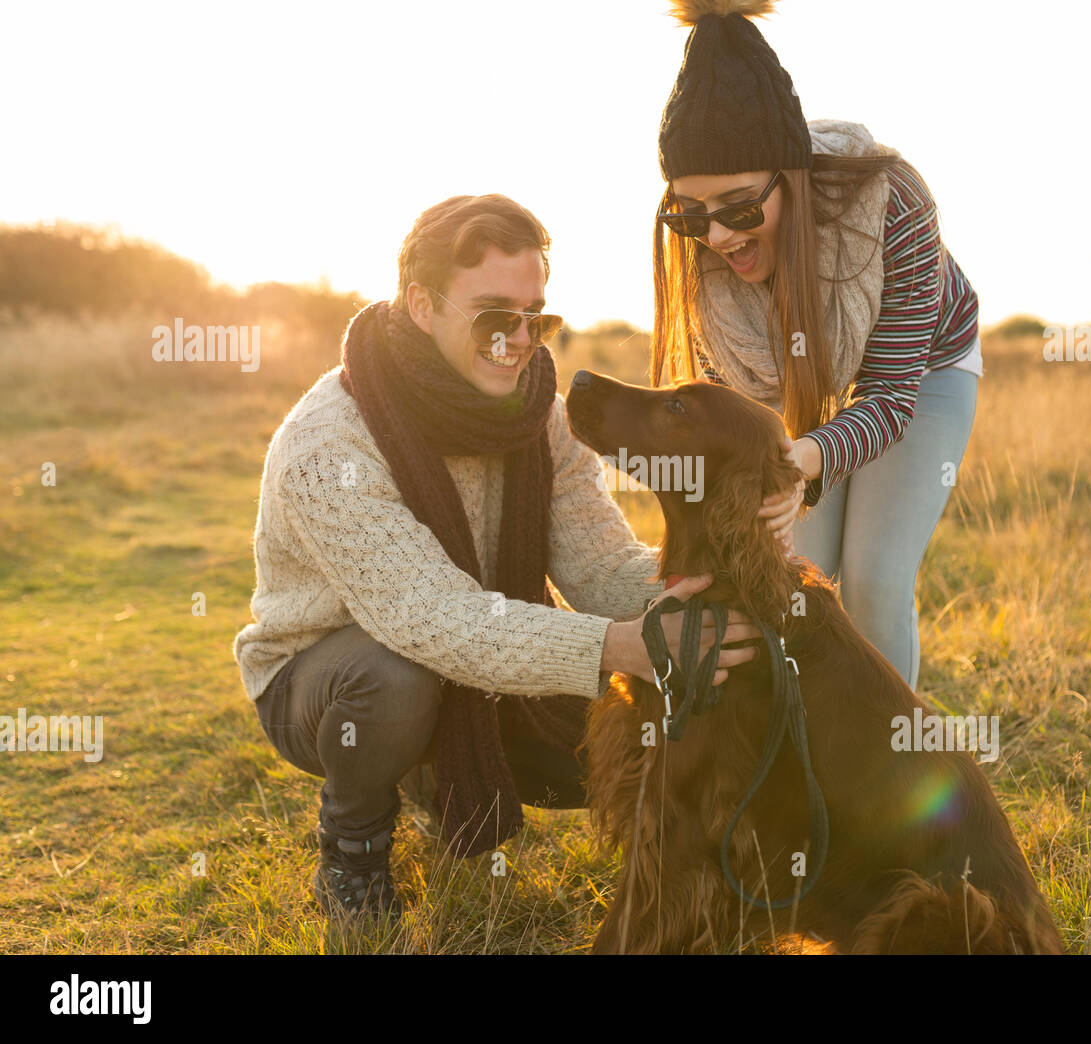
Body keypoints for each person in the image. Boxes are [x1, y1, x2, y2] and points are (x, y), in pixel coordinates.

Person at [233, 194, 758, 920]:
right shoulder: (329, 447)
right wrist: (621, 647)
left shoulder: (540, 410)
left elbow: (598, 566)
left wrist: (704, 590)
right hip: (324, 681)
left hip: (470, 652)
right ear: (421, 304)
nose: (517, 339)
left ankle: (434, 776)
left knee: (623, 721)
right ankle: (351, 853)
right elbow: (433, 618)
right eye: (492, 316)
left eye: (534, 318)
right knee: (397, 679)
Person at [650, 0, 983, 689]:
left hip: (923, 372)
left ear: (790, 179)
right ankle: (801, 757)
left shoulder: (890, 200)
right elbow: (733, 403)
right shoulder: (700, 241)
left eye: (742, 207)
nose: (717, 238)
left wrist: (804, 459)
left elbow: (889, 399)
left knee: (873, 577)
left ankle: (894, 769)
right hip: (798, 387)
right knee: (798, 572)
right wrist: (764, 482)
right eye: (692, 213)